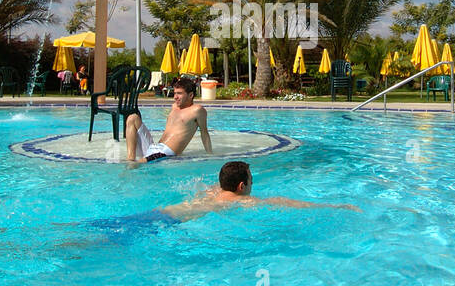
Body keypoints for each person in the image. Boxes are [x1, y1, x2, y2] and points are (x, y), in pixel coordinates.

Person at [87, 161, 359, 243]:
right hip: (167, 226)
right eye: (251, 180)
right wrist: (336, 207)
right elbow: (288, 203)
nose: (253, 185)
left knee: (94, 232)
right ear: (242, 187)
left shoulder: (211, 192)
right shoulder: (243, 202)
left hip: (156, 212)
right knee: (99, 244)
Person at [124, 75, 211, 162]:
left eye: (179, 93)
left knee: (138, 164)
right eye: (175, 93)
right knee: (132, 118)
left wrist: (210, 154)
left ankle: (132, 164)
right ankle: (130, 158)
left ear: (191, 95)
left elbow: (204, 133)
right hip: (154, 147)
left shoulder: (197, 110)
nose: (175, 97)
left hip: (166, 153)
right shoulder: (174, 106)